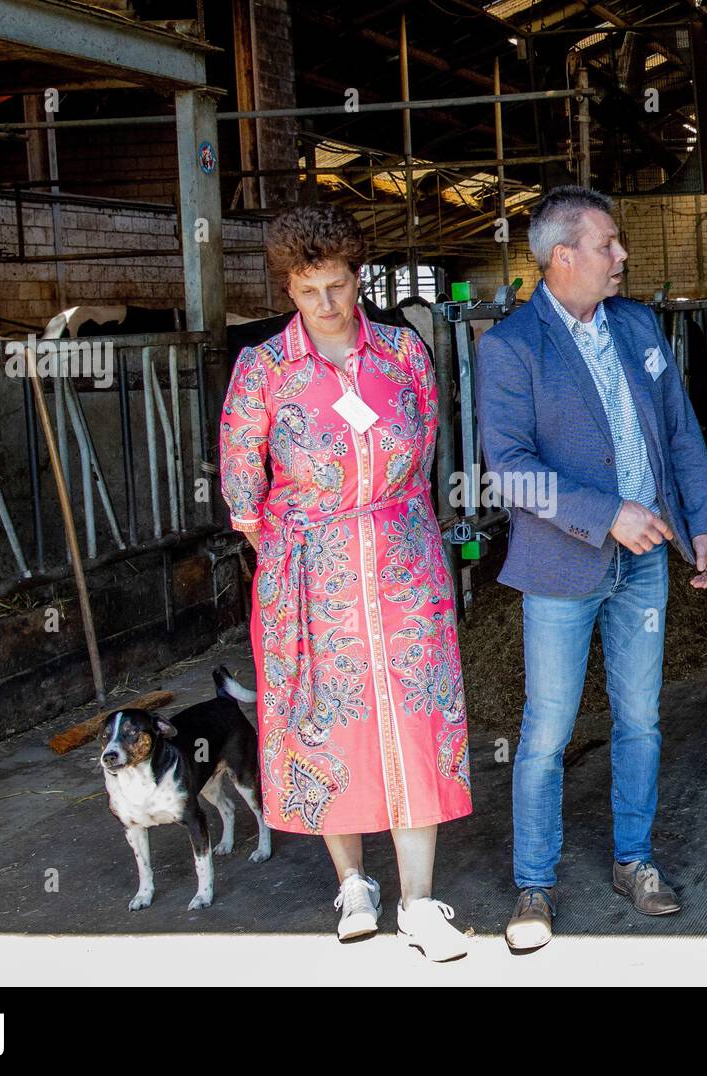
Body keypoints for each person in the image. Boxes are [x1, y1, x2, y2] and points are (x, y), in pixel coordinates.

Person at [219, 203, 472, 961]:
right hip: (308, 578)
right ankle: (353, 883)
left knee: (415, 722)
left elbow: (423, 449)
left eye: (335, 285)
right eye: (307, 290)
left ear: (358, 275)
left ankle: (420, 903)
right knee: (326, 724)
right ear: (288, 291)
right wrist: (301, 548)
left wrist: (389, 525)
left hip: (403, 565)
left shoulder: (403, 353)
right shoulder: (262, 369)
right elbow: (240, 488)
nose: (325, 304)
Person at [476, 185, 707, 952]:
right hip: (561, 564)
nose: (622, 257)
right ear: (563, 257)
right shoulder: (511, 346)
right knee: (547, 729)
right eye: (609, 245)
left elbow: (680, 431)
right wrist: (605, 510)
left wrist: (704, 523)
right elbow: (510, 470)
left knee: (641, 718)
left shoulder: (638, 323)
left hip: (647, 560)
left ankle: (633, 859)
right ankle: (534, 882)